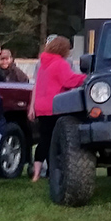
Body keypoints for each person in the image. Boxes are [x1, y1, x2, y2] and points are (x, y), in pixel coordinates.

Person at [28, 35, 85, 182]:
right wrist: (87, 78)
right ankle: (54, 172)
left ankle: (36, 174)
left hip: (41, 107)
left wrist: (32, 106)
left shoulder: (43, 64)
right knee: (56, 140)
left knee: (44, 139)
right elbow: (69, 80)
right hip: (56, 106)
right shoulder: (60, 63)